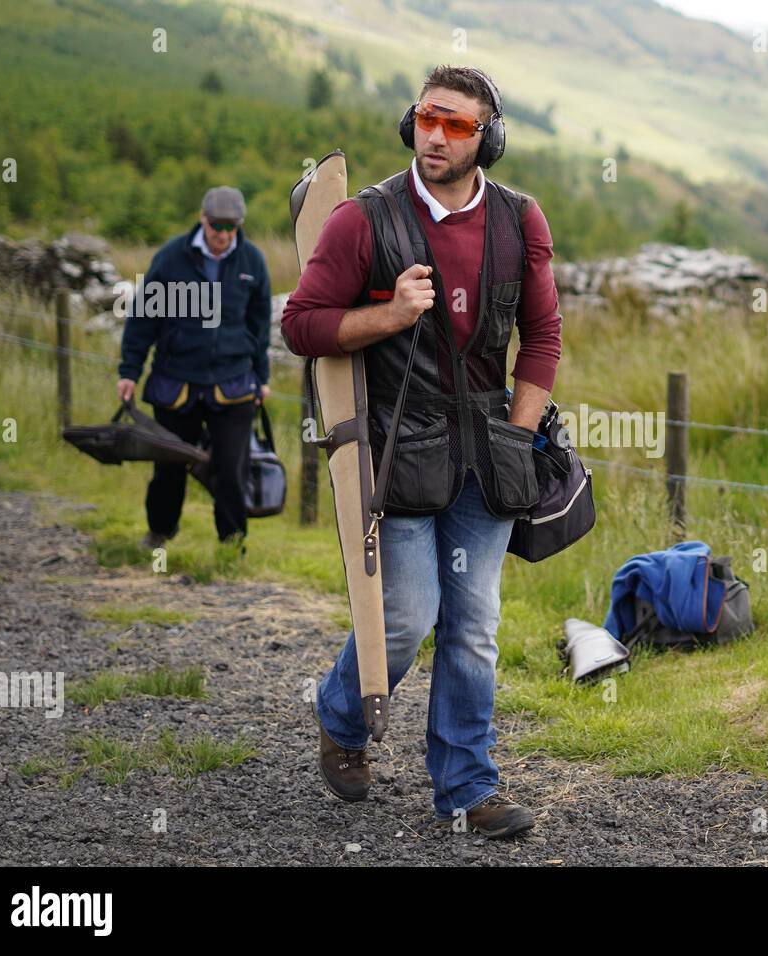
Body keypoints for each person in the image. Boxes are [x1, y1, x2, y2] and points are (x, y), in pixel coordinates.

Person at [281, 65, 562, 838]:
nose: (437, 135)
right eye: (428, 118)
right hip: (397, 450)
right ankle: (341, 717)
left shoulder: (519, 220)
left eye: (458, 125)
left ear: (489, 140)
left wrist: (522, 429)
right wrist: (389, 315)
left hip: (490, 454)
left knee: (473, 627)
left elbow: (542, 338)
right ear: (412, 122)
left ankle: (469, 788)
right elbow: (302, 325)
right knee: (406, 617)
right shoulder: (361, 220)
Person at [117, 186, 273, 554]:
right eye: (217, 226)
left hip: (233, 386)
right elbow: (143, 318)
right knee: (169, 468)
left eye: (231, 228)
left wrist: (261, 378)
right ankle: (159, 535)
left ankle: (231, 546)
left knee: (232, 471)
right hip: (175, 382)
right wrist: (129, 370)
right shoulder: (171, 257)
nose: (223, 235)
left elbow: (259, 327)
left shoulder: (252, 262)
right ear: (203, 220)